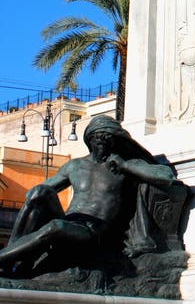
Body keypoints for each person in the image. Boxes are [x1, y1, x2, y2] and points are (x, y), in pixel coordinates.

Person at [0, 115, 175, 275]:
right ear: (89, 140)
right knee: (40, 192)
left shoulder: (124, 165)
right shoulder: (75, 166)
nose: (102, 145)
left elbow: (166, 176)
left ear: (116, 142)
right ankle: (11, 261)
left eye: (108, 140)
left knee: (55, 226)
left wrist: (125, 166)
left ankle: (3, 259)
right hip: (69, 223)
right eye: (97, 140)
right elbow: (34, 194)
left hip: (92, 233)